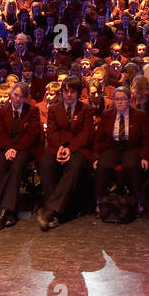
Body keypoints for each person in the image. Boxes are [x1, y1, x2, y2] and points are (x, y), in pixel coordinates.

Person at [37, 77, 93, 231]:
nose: (69, 95)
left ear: (78, 93)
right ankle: (56, 212)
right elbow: (52, 133)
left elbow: (86, 134)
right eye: (66, 91)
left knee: (75, 164)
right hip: (57, 147)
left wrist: (70, 148)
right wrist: (61, 147)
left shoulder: (86, 109)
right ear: (61, 93)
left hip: (78, 149)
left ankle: (50, 210)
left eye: (72, 91)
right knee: (46, 162)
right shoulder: (55, 109)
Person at [94, 84, 149, 213]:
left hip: (131, 147)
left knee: (131, 165)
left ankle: (139, 201)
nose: (119, 102)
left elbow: (147, 140)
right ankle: (99, 201)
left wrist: (144, 157)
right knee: (103, 165)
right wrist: (96, 157)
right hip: (113, 146)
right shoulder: (107, 114)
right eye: (116, 99)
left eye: (123, 99)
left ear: (129, 99)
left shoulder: (140, 115)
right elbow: (99, 139)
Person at [0, 82, 40, 229]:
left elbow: (31, 136)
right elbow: (1, 134)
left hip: (23, 148)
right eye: (15, 95)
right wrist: (8, 148)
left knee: (16, 168)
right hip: (5, 147)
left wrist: (15, 149)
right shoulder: (2, 112)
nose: (17, 99)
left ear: (26, 98)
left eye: (21, 97)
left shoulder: (32, 111)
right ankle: (8, 212)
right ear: (11, 94)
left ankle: (4, 210)